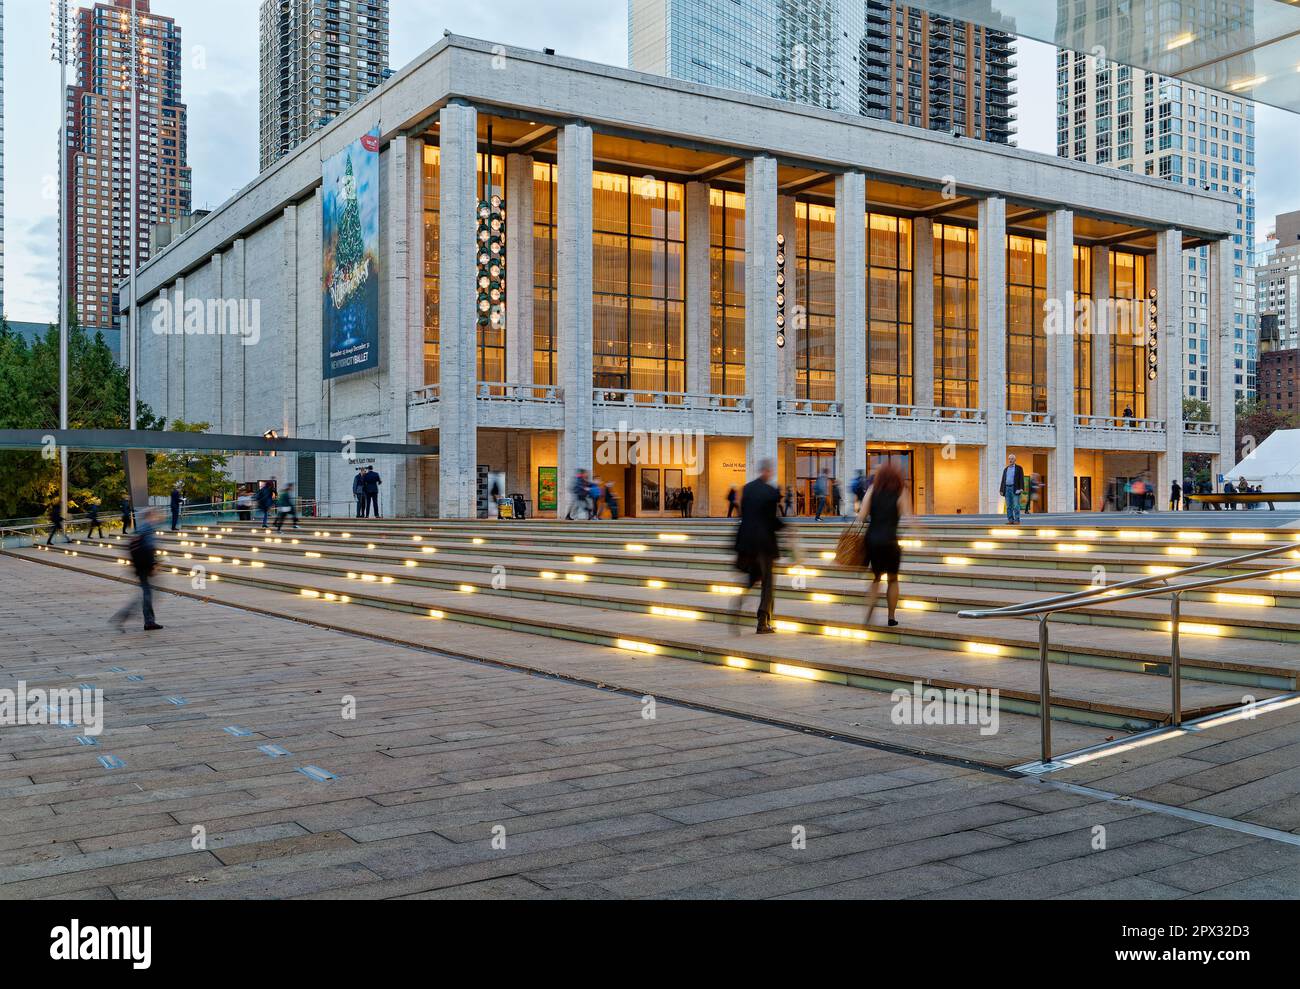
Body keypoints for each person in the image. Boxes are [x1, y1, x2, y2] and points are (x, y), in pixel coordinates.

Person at [855, 461, 909, 629]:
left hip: (872, 540)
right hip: (891, 540)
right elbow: (908, 517)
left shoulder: (872, 491)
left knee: (876, 578)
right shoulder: (901, 492)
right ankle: (891, 617)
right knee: (893, 579)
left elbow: (861, 516)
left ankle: (869, 612)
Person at [733, 460, 783, 634]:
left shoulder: (746, 489)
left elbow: (743, 513)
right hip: (764, 545)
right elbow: (772, 521)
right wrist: (786, 527)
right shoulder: (770, 492)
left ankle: (738, 603)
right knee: (767, 583)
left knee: (753, 578)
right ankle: (763, 622)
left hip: (747, 543)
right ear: (768, 472)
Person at [112, 508, 163, 632]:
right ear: (150, 516)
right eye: (155, 515)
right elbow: (150, 548)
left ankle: (146, 620)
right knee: (147, 594)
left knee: (146, 592)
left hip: (139, 565)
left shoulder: (140, 528)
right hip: (145, 565)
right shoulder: (148, 528)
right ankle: (141, 620)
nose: (158, 517)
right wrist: (154, 564)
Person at [998, 455, 1025, 525]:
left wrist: (1021, 488)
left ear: (1015, 460)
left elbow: (1021, 478)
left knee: (1016, 505)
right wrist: (1001, 490)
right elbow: (1003, 480)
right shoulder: (1006, 469)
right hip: (1007, 488)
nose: (1010, 460)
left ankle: (1017, 520)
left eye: (1012, 459)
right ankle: (1010, 520)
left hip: (1015, 488)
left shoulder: (1019, 468)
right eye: (1009, 459)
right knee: (1008, 506)